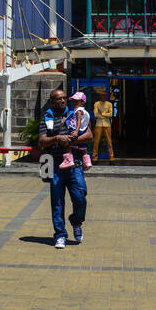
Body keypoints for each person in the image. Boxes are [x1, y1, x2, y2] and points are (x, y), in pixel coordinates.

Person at [39, 88, 88, 249]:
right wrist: (57, 138)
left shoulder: (76, 112)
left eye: (64, 98)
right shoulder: (47, 117)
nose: (63, 101)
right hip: (56, 164)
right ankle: (60, 235)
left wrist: (71, 139)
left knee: (80, 197)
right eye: (58, 99)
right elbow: (42, 140)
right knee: (57, 202)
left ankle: (76, 221)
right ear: (52, 101)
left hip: (75, 164)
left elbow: (89, 135)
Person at [58, 91, 92, 170]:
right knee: (83, 148)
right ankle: (87, 162)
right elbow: (88, 124)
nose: (74, 103)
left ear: (83, 102)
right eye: (73, 101)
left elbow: (79, 120)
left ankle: (69, 160)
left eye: (76, 101)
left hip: (77, 130)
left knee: (69, 144)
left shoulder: (78, 111)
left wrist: (76, 130)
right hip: (83, 131)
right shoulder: (85, 112)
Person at [91, 86, 116, 163]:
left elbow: (111, 114)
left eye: (104, 95)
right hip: (99, 124)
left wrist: (102, 113)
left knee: (109, 142)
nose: (103, 97)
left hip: (107, 124)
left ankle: (111, 158)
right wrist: (105, 114)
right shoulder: (97, 104)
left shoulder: (109, 104)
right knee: (96, 142)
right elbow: (95, 114)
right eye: (102, 95)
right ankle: (95, 158)